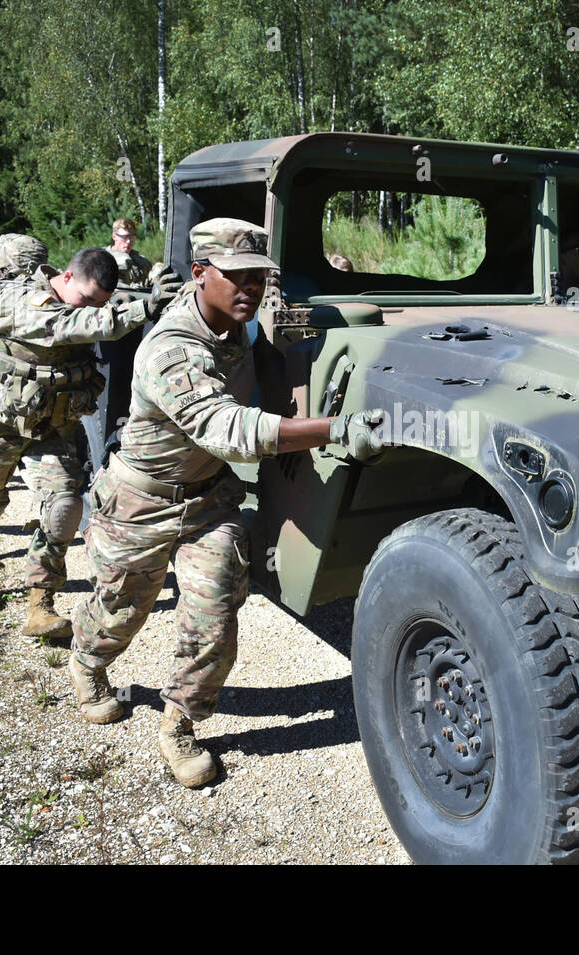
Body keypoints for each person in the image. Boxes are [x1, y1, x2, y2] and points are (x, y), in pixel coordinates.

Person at [69, 217, 385, 787]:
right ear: (199, 274)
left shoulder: (239, 322)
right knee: (121, 613)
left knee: (214, 613)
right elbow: (226, 427)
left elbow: (268, 351)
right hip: (141, 500)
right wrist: (333, 428)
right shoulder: (171, 349)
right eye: (236, 277)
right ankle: (87, 661)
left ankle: (180, 723)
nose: (251, 290)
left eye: (258, 278)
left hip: (208, 498)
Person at [0, 247, 179, 638]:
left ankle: (40, 603)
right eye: (88, 299)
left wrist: (154, 294)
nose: (91, 308)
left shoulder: (88, 305)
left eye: (100, 302)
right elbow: (73, 327)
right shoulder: (24, 301)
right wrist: (139, 310)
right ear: (68, 277)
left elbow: (101, 315)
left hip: (50, 428)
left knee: (65, 508)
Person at [106, 217, 152, 286]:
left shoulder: (142, 263)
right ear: (114, 236)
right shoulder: (102, 259)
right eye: (124, 237)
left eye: (131, 237)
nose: (128, 241)